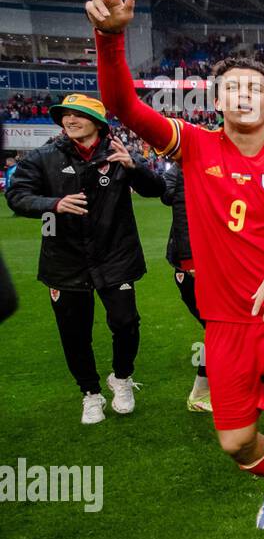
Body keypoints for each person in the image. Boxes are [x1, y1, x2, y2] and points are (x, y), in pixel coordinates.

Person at [88, 0, 264, 539]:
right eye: (231, 88)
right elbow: (120, 106)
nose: (243, 95)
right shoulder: (192, 146)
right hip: (225, 321)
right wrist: (109, 40)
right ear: (216, 100)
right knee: (237, 443)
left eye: (254, 88)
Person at [5, 92, 164, 423]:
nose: (69, 119)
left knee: (125, 323)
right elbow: (17, 196)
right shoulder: (42, 157)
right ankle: (90, 393)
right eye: (65, 115)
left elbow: (157, 190)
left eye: (77, 114)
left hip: (115, 255)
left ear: (97, 122)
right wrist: (53, 204)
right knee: (75, 333)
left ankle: (121, 379)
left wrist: (135, 168)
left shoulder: (120, 154)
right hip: (64, 259)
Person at [160, 162, 211, 412]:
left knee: (229, 329)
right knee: (218, 330)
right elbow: (167, 196)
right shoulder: (181, 171)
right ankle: (200, 394)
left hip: (220, 264)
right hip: (191, 267)